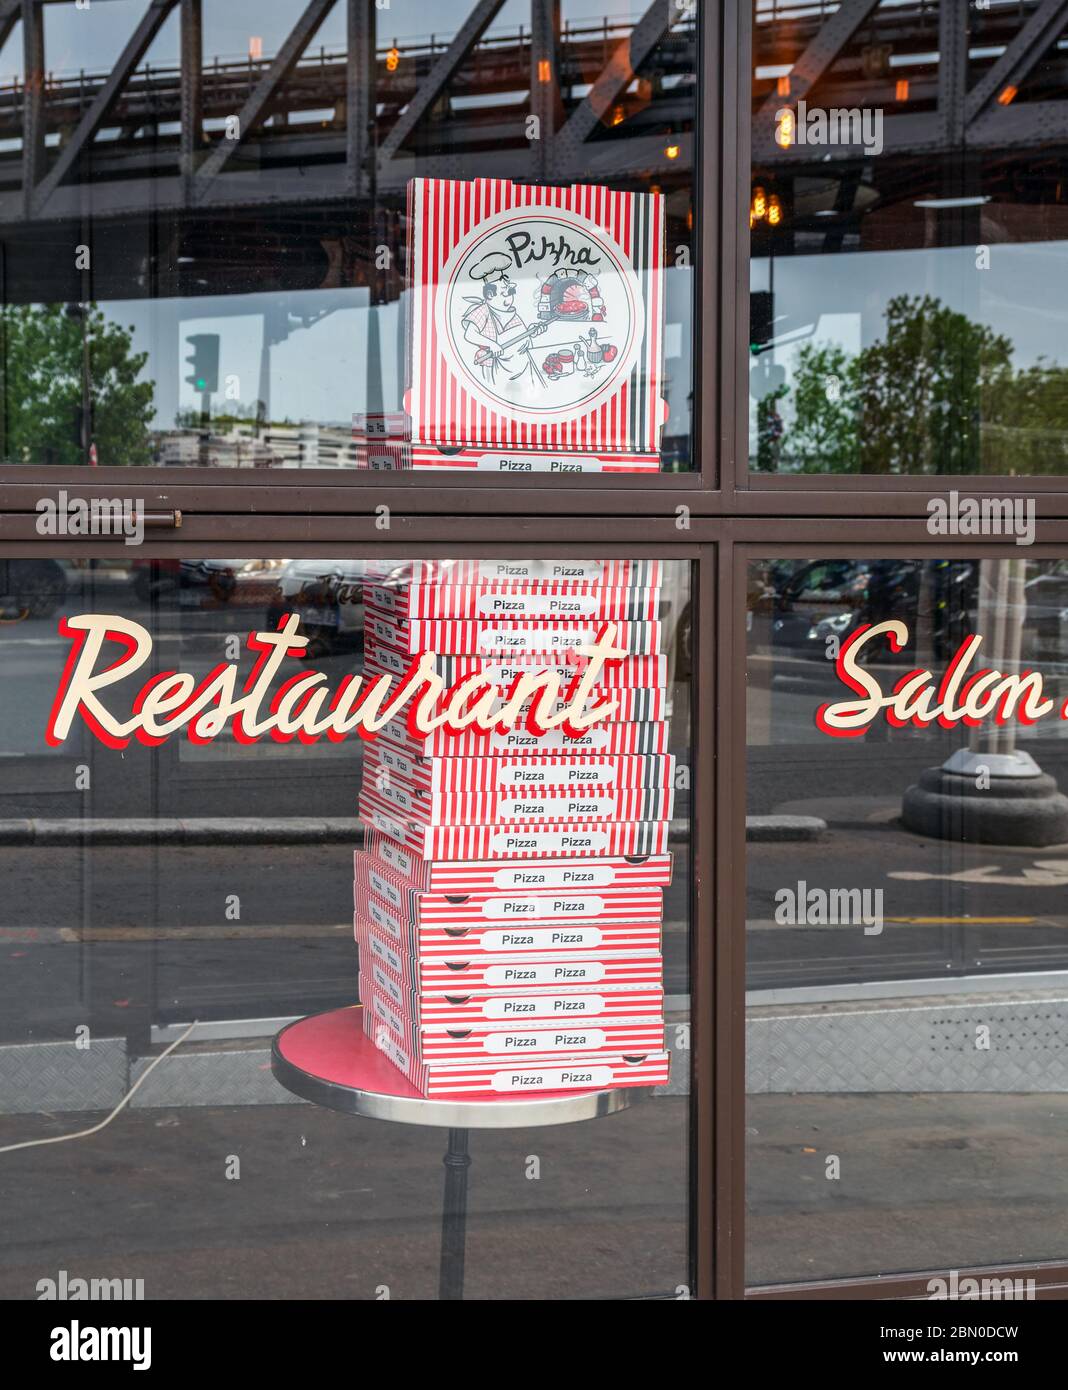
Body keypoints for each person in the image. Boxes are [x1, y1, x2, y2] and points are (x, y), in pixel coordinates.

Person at [460, 252, 547, 390]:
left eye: (510, 293)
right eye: (504, 295)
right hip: (498, 372)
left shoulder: (512, 313)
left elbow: (521, 335)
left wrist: (533, 331)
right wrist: (492, 345)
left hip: (523, 370)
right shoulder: (483, 311)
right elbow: (469, 334)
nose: (509, 300)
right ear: (489, 295)